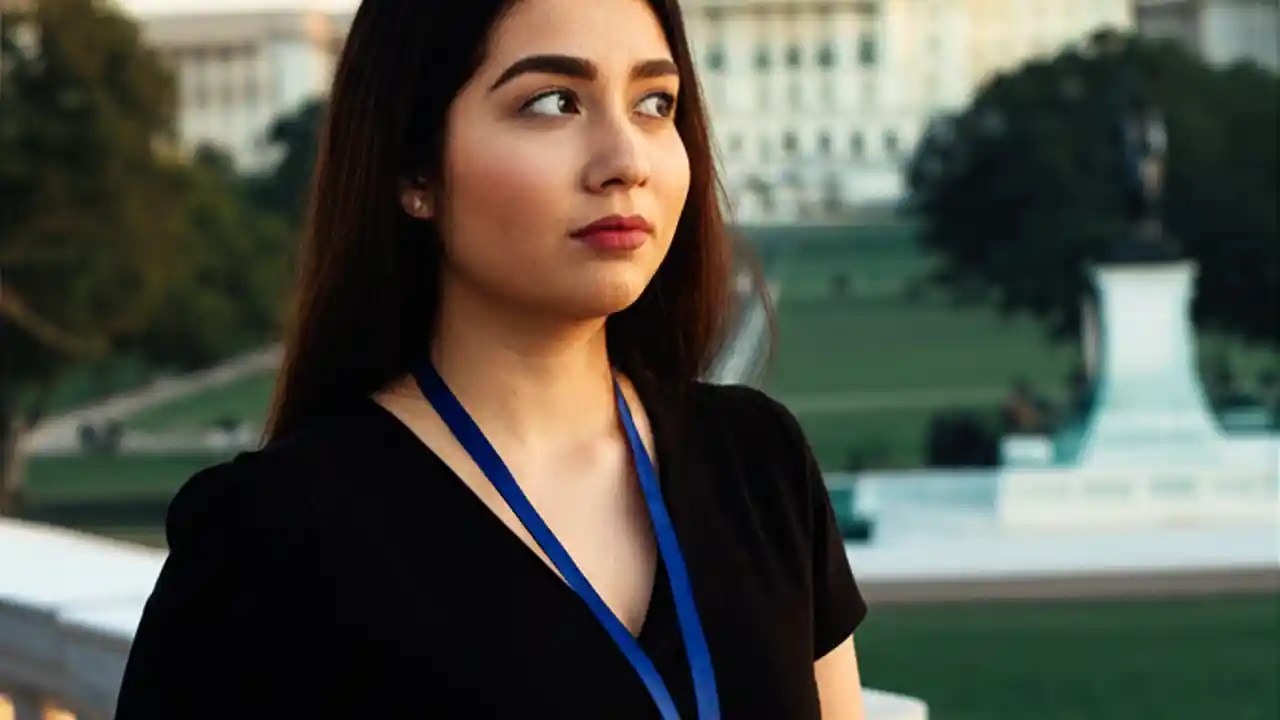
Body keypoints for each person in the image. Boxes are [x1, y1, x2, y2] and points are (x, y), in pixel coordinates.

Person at [114, 0, 867, 717]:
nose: (624, 160)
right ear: (414, 171)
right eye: (552, 103)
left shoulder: (760, 463)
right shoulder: (270, 538)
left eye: (655, 103)